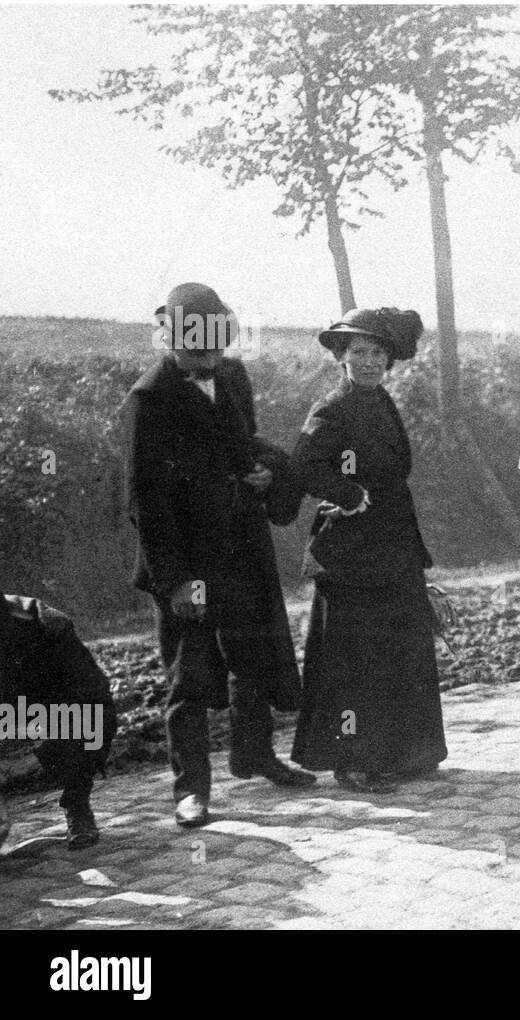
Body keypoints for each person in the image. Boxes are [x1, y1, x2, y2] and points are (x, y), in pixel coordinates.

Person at [123, 283, 314, 830]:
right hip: (187, 558)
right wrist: (176, 581)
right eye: (194, 340)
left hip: (242, 543)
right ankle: (190, 790)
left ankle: (254, 754)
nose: (208, 352)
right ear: (171, 338)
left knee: (251, 653)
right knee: (189, 674)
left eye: (215, 340)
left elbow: (242, 442)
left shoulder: (233, 376)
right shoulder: (148, 399)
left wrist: (263, 470)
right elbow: (145, 500)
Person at [290, 308, 448, 794]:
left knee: (400, 646)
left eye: (378, 352)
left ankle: (405, 751)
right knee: (352, 656)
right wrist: (348, 495)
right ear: (341, 357)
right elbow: (304, 466)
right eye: (359, 352)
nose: (370, 361)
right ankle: (352, 759)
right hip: (352, 550)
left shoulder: (381, 402)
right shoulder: (331, 409)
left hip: (393, 543)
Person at [0, 594, 118, 849]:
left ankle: (77, 803)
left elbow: (92, 698)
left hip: (42, 716)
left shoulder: (43, 623)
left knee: (93, 719)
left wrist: (36, 753)